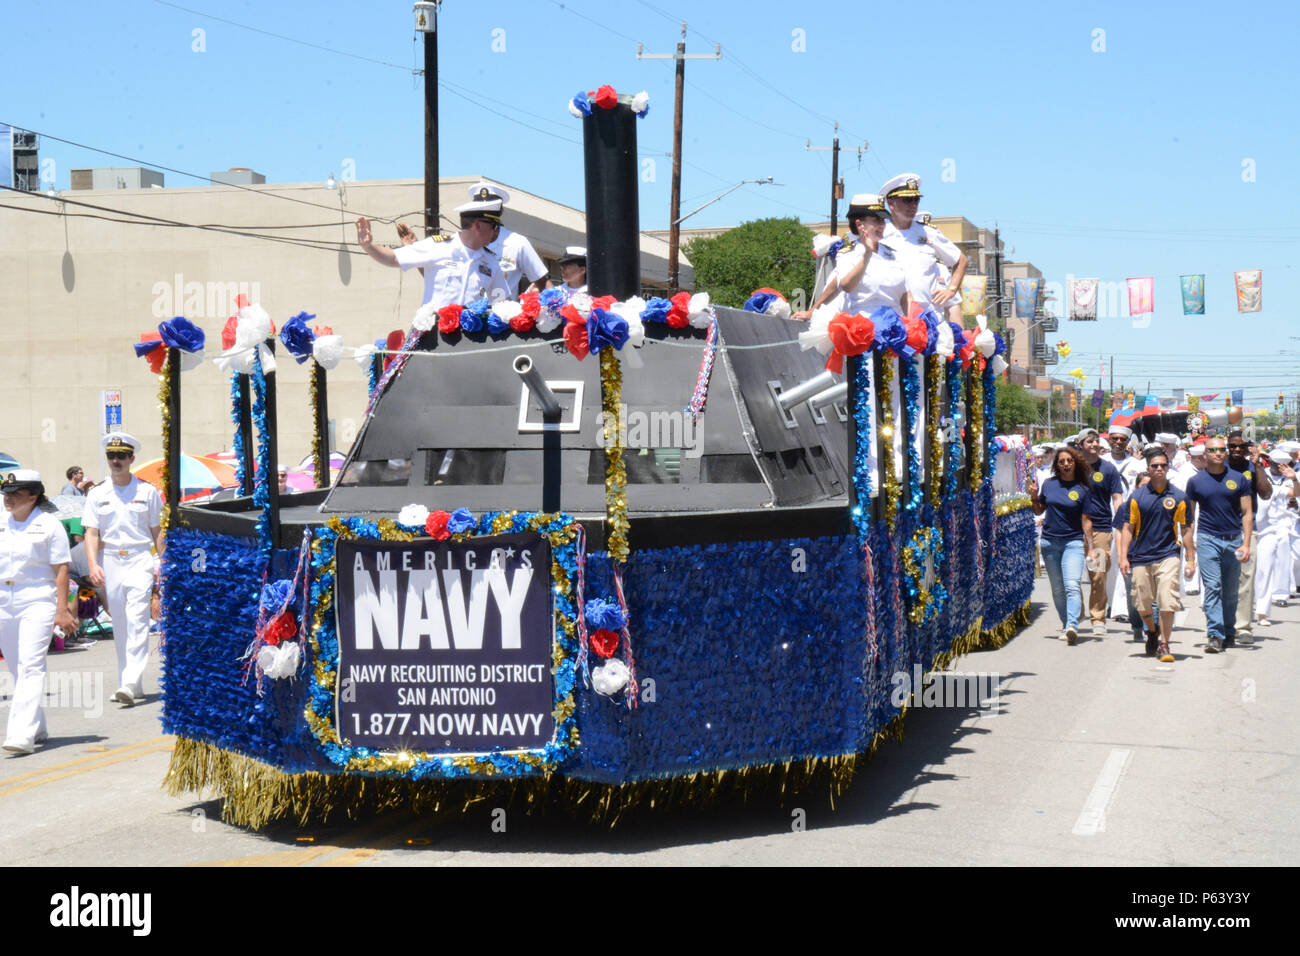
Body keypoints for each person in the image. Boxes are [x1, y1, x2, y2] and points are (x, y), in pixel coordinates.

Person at [82, 432, 164, 705]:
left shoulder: (147, 491)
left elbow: (157, 532)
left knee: (137, 619)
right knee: (120, 624)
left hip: (140, 559)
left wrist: (164, 563)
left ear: (131, 459)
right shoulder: (97, 493)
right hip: (111, 561)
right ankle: (130, 682)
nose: (116, 461)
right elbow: (91, 533)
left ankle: (129, 682)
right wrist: (93, 563)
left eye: (121, 456)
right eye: (111, 456)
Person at [1, 470, 78, 753]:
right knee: (16, 666)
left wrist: (62, 610)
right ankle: (37, 725)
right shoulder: (1, 521)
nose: (8, 499)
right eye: (6, 494)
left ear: (33, 496)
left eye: (16, 494)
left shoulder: (49, 525)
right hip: (3, 600)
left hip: (37, 599)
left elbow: (61, 570)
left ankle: (21, 734)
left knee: (31, 664)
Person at [356, 195, 512, 310]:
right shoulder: (437, 246)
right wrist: (369, 246)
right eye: (494, 226)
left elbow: (503, 302)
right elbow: (393, 259)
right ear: (478, 226)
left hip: (470, 339)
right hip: (434, 336)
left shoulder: (491, 261)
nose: (496, 232)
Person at [1118, 451, 1194, 662]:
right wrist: (1123, 557)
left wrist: (1190, 558)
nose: (1159, 469)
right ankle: (1152, 631)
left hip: (1168, 554)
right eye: (1154, 466)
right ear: (1148, 469)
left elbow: (1186, 528)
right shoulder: (1137, 497)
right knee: (1142, 603)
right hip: (1141, 556)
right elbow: (1128, 528)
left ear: (1168, 467)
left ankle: (1165, 644)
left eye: (1163, 465)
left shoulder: (1179, 497)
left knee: (1167, 600)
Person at [1184, 436, 1252, 653]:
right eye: (1213, 450)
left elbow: (1247, 513)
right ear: (1205, 454)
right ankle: (1215, 634)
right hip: (1207, 539)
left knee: (1231, 590)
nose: (1218, 453)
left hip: (1233, 540)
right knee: (1213, 586)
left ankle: (1229, 630)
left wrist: (1247, 544)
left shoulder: (1238, 478)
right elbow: (1189, 516)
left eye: (1222, 449)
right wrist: (1190, 547)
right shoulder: (1195, 482)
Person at [1029, 445, 1101, 644]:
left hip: (1073, 543)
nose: (1066, 464)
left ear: (1075, 463)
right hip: (1049, 542)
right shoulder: (1050, 484)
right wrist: (1034, 496)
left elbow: (1087, 520)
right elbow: (1038, 511)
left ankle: (1072, 625)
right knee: (1057, 589)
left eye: (1069, 461)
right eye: (1062, 462)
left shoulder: (1083, 489)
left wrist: (1092, 547)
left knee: (1072, 585)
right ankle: (1065, 623)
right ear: (1057, 465)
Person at [879, 173, 968, 314]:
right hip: (892, 316)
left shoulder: (928, 232)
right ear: (891, 204)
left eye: (916, 200)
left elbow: (961, 260)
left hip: (927, 316)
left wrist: (950, 290)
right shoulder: (880, 233)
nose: (913, 205)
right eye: (907, 200)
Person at [1225, 429, 1271, 643]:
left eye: (1240, 447)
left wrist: (1257, 464)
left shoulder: (1252, 467)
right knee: (1222, 580)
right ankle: (1222, 625)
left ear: (1247, 449)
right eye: (1232, 446)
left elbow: (1265, 493)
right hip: (1220, 529)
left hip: (1246, 529)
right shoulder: (1219, 466)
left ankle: (1243, 627)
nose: (1236, 450)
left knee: (1245, 578)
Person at [834, 194, 910, 317]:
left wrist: (911, 324)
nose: (882, 225)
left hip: (896, 327)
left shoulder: (893, 254)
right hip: (864, 327)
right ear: (859, 225)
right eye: (876, 220)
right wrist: (867, 255)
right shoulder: (848, 255)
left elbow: (904, 297)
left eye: (883, 220)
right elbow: (847, 286)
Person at [1078, 428, 1123, 636]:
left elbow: (1116, 497)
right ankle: (1074, 612)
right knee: (1072, 576)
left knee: (1097, 574)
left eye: (1096, 441)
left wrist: (1120, 522)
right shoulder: (1072, 466)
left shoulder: (1108, 469)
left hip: (1101, 528)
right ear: (1081, 445)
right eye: (1089, 441)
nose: (1094, 444)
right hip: (1073, 528)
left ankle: (1097, 618)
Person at [1254, 448, 1298, 625]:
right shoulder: (1259, 476)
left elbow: (1296, 494)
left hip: (1278, 526)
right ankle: (1251, 608)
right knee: (1255, 572)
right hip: (1253, 528)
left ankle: (1270, 604)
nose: (1277, 468)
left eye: (1282, 465)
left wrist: (1293, 478)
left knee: (1274, 565)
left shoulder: (1286, 479)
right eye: (1274, 464)